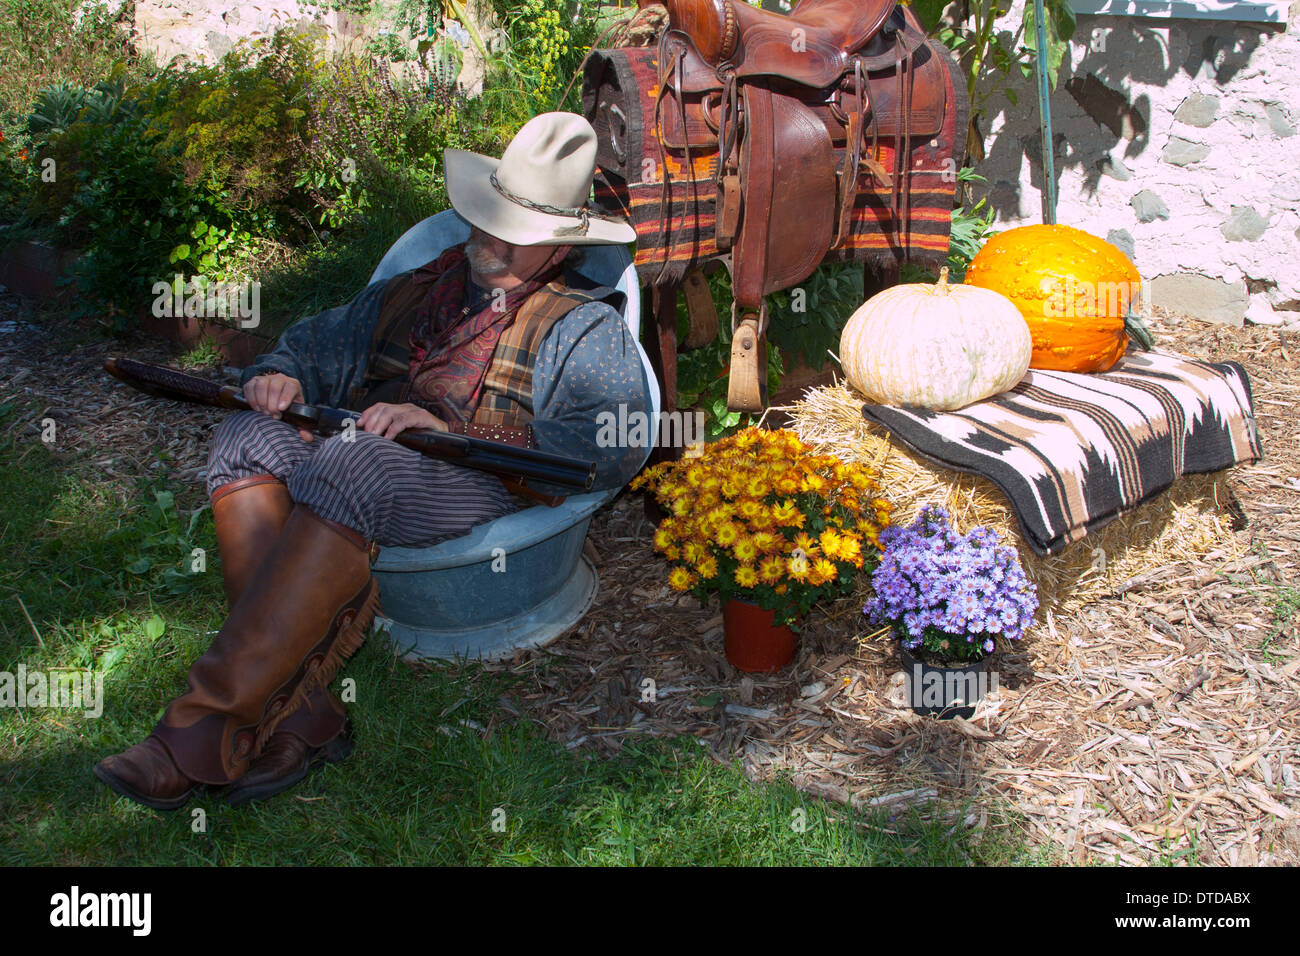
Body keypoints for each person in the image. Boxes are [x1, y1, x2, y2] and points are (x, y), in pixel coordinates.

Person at [93, 113, 651, 809]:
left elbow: (617, 440)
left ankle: (199, 734)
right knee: (244, 437)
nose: (493, 239)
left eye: (519, 233)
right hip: (367, 453)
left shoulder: (581, 324)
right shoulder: (421, 287)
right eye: (489, 217)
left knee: (347, 465)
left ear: (559, 249)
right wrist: (279, 375)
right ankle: (304, 718)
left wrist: (453, 428)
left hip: (482, 479)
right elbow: (313, 343)